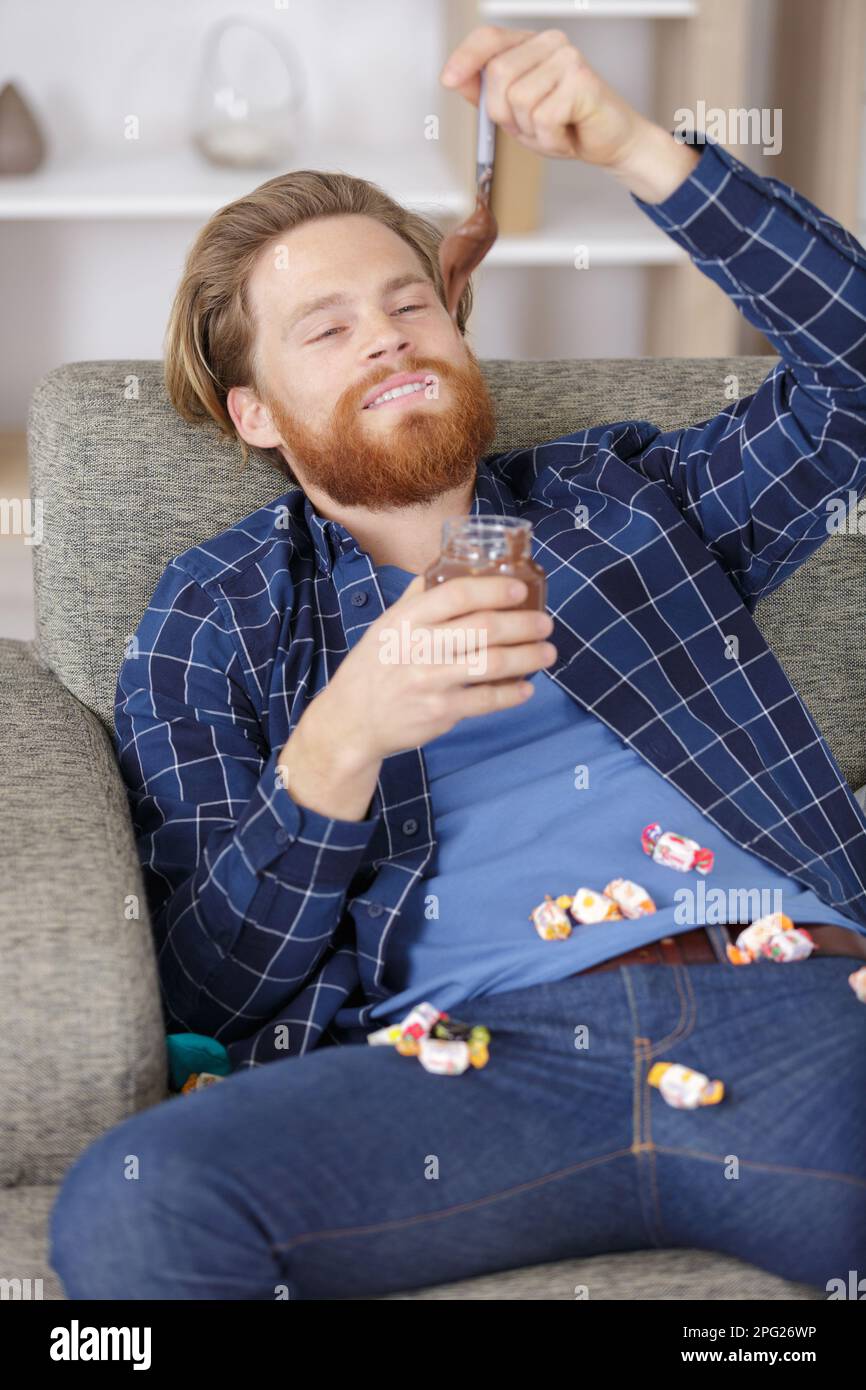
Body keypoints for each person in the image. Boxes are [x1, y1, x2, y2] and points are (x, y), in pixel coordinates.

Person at [50, 25, 866, 1300]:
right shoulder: (210, 614)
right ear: (251, 410)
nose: (384, 337)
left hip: (799, 1017)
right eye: (323, 330)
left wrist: (642, 153)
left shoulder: (629, 498)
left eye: (408, 301)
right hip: (469, 1068)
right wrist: (339, 743)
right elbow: (211, 978)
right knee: (142, 1202)